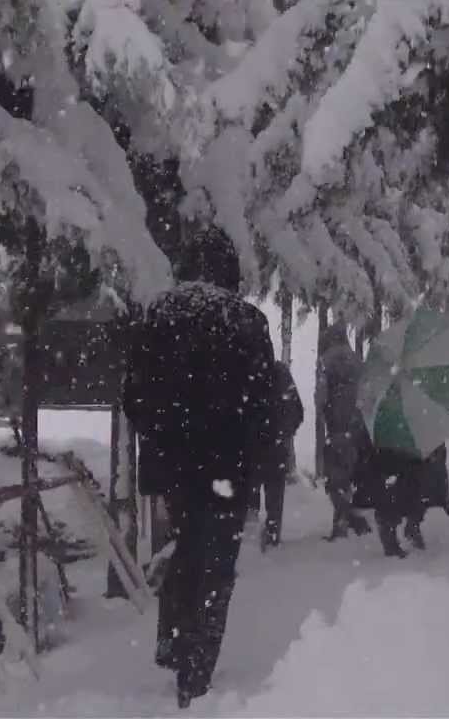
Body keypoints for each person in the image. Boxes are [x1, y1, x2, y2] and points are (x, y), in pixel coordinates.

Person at [122, 245, 276, 709]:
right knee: (217, 565)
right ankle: (196, 668)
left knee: (187, 546)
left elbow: (134, 397)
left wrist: (165, 436)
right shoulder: (245, 322)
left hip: (175, 468)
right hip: (226, 468)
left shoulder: (158, 316)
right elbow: (263, 402)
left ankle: (173, 639)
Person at [317, 324, 373, 540]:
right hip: (358, 429)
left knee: (335, 481)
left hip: (337, 428)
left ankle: (349, 520)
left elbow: (320, 398)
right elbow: (368, 395)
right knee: (350, 476)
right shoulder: (359, 362)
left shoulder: (327, 364)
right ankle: (345, 522)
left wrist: (324, 410)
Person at [247, 360, 304, 550]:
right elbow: (297, 411)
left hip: (251, 444)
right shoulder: (280, 371)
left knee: (248, 491)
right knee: (275, 492)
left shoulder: (244, 367)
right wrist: (285, 432)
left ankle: (249, 536)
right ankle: (272, 535)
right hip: (276, 444)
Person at [368, 444, 449, 557]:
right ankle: (392, 540)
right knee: (391, 499)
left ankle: (410, 529)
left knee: (415, 492)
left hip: (410, 460)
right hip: (392, 459)